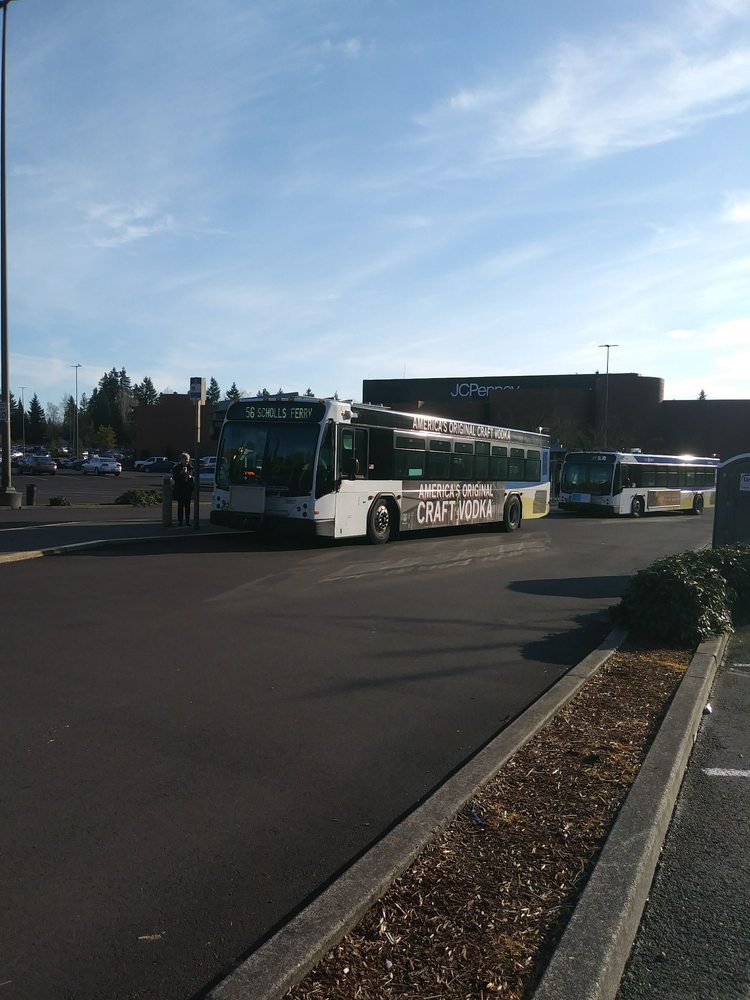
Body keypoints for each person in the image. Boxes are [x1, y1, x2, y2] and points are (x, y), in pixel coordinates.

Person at [172, 452, 194, 526]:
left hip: (188, 489)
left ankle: (187, 521)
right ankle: (180, 521)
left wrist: (190, 477)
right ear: (181, 460)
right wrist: (181, 473)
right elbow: (175, 477)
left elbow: (194, 478)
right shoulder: (176, 468)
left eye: (187, 460)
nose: (186, 462)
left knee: (188, 506)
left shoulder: (191, 468)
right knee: (180, 506)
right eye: (184, 460)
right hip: (180, 489)